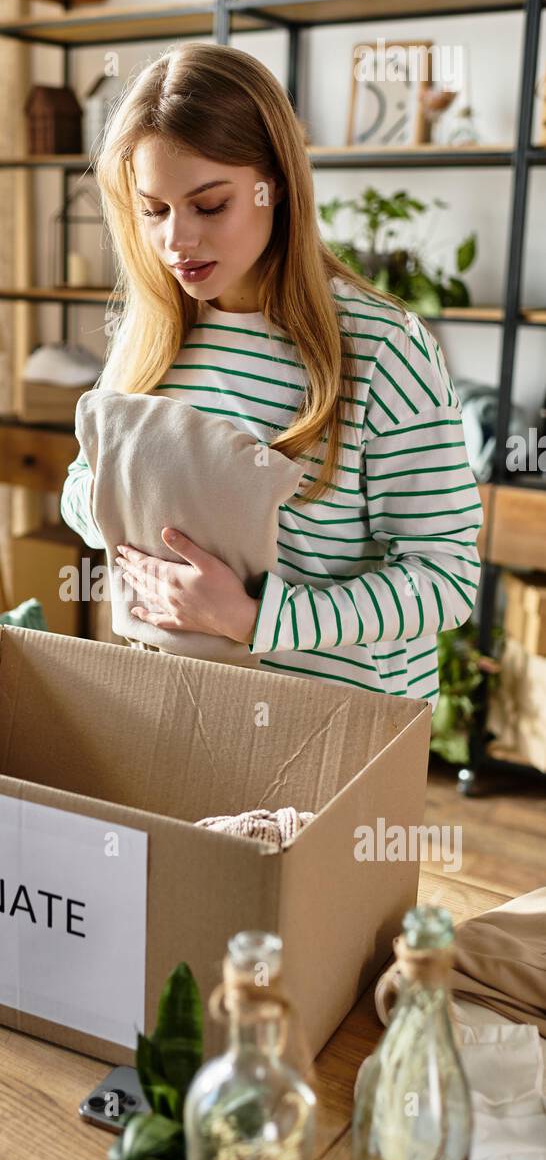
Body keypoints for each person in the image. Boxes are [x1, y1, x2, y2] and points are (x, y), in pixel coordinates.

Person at [60, 42, 482, 712]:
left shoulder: (382, 350)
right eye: (154, 210)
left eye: (209, 205)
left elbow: (445, 580)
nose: (177, 242)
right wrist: (134, 512)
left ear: (275, 183)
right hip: (180, 709)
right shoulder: (150, 336)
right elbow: (80, 492)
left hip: (332, 733)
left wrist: (255, 619)